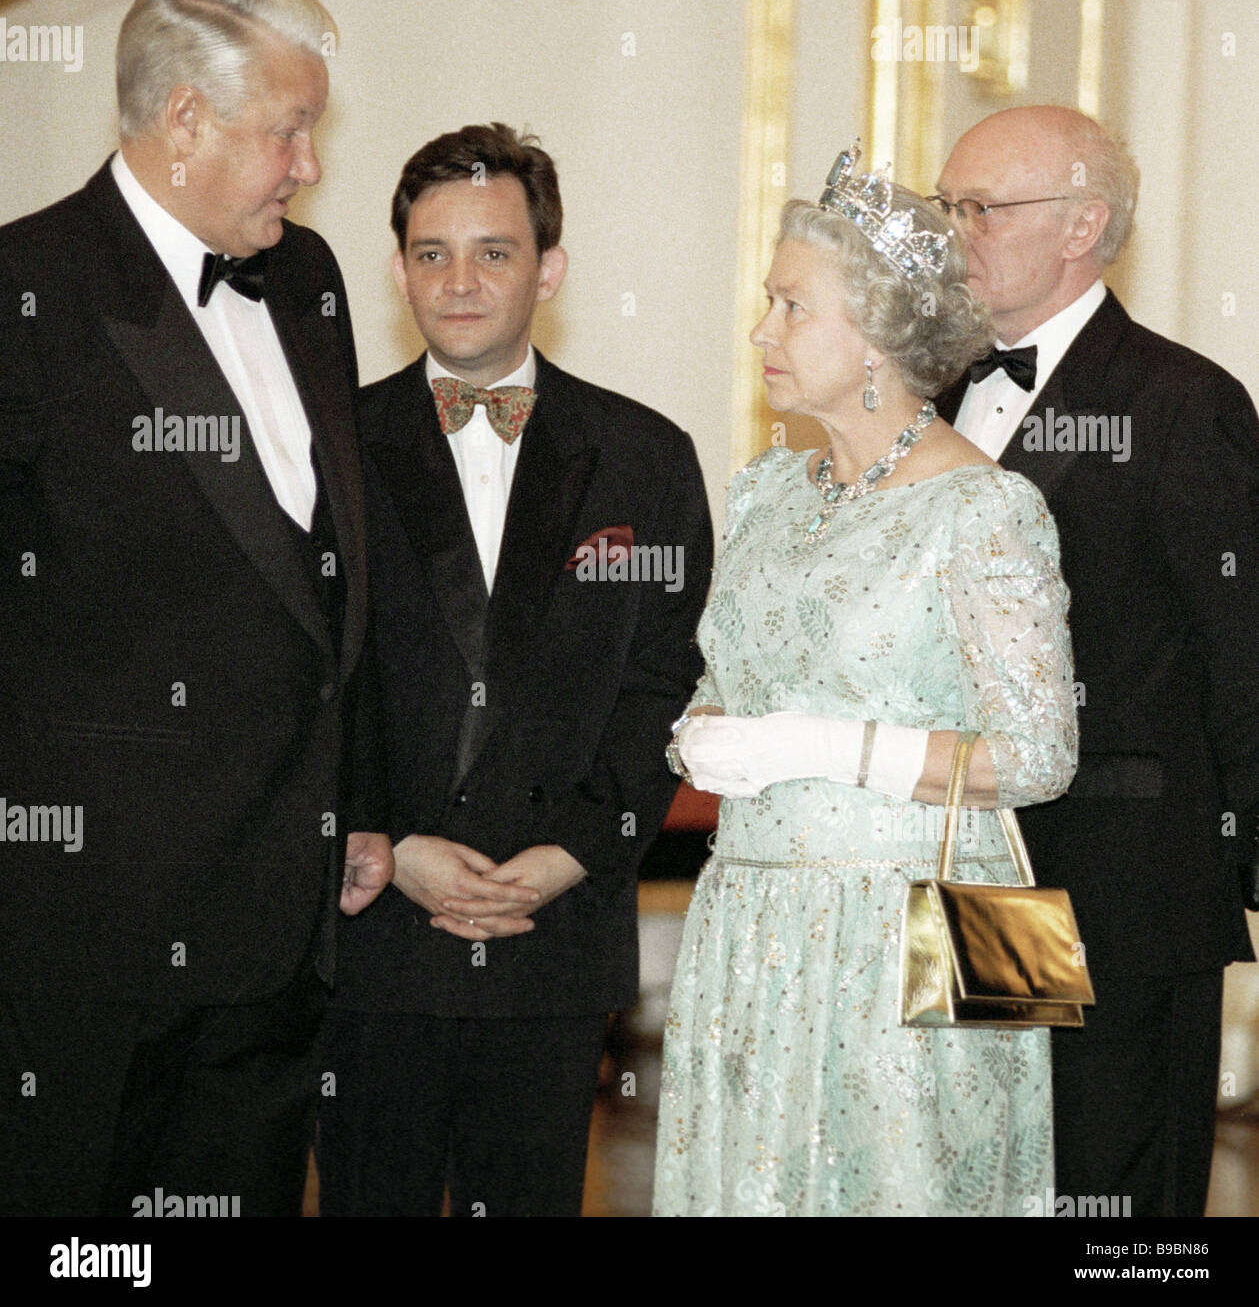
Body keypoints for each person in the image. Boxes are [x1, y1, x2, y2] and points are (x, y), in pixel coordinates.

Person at [0, 0, 393, 1217]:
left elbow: (327, 581)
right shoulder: (30, 295)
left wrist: (360, 803)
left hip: (283, 931)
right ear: (183, 121)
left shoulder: (314, 280)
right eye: (288, 129)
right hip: (85, 941)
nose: (310, 164)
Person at [653, 145, 1078, 1217]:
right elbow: (729, 680)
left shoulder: (982, 509)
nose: (761, 332)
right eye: (766, 302)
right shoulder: (761, 493)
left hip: (910, 935)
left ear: (882, 337)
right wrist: (704, 730)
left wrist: (818, 749)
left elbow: (1038, 754)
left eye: (791, 306)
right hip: (749, 919)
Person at [318, 123, 712, 1217]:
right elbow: (308, 681)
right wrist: (388, 846)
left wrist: (570, 851)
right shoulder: (328, 448)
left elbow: (662, 678)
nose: (458, 280)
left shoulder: (644, 454)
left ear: (550, 267)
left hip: (554, 920)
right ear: (395, 268)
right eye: (431, 251)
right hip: (375, 921)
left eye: (493, 251)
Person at [934, 105, 1259, 1217]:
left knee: (1117, 1191)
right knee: (1005, 1172)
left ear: (1081, 224)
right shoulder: (932, 400)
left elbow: (1241, 650)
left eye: (981, 208)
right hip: (981, 869)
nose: (955, 233)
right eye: (946, 208)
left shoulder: (1182, 404)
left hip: (1129, 878)